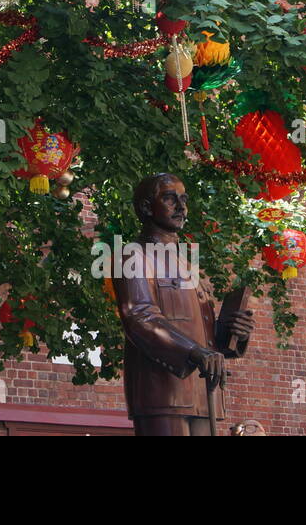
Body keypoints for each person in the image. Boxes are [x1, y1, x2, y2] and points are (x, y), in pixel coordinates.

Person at [111, 173, 254, 435]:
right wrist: (193, 352)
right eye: (170, 198)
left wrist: (234, 333)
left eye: (184, 199)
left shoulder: (188, 266)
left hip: (202, 393)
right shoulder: (133, 255)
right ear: (145, 207)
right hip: (162, 392)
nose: (181, 207)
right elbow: (139, 316)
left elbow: (204, 336)